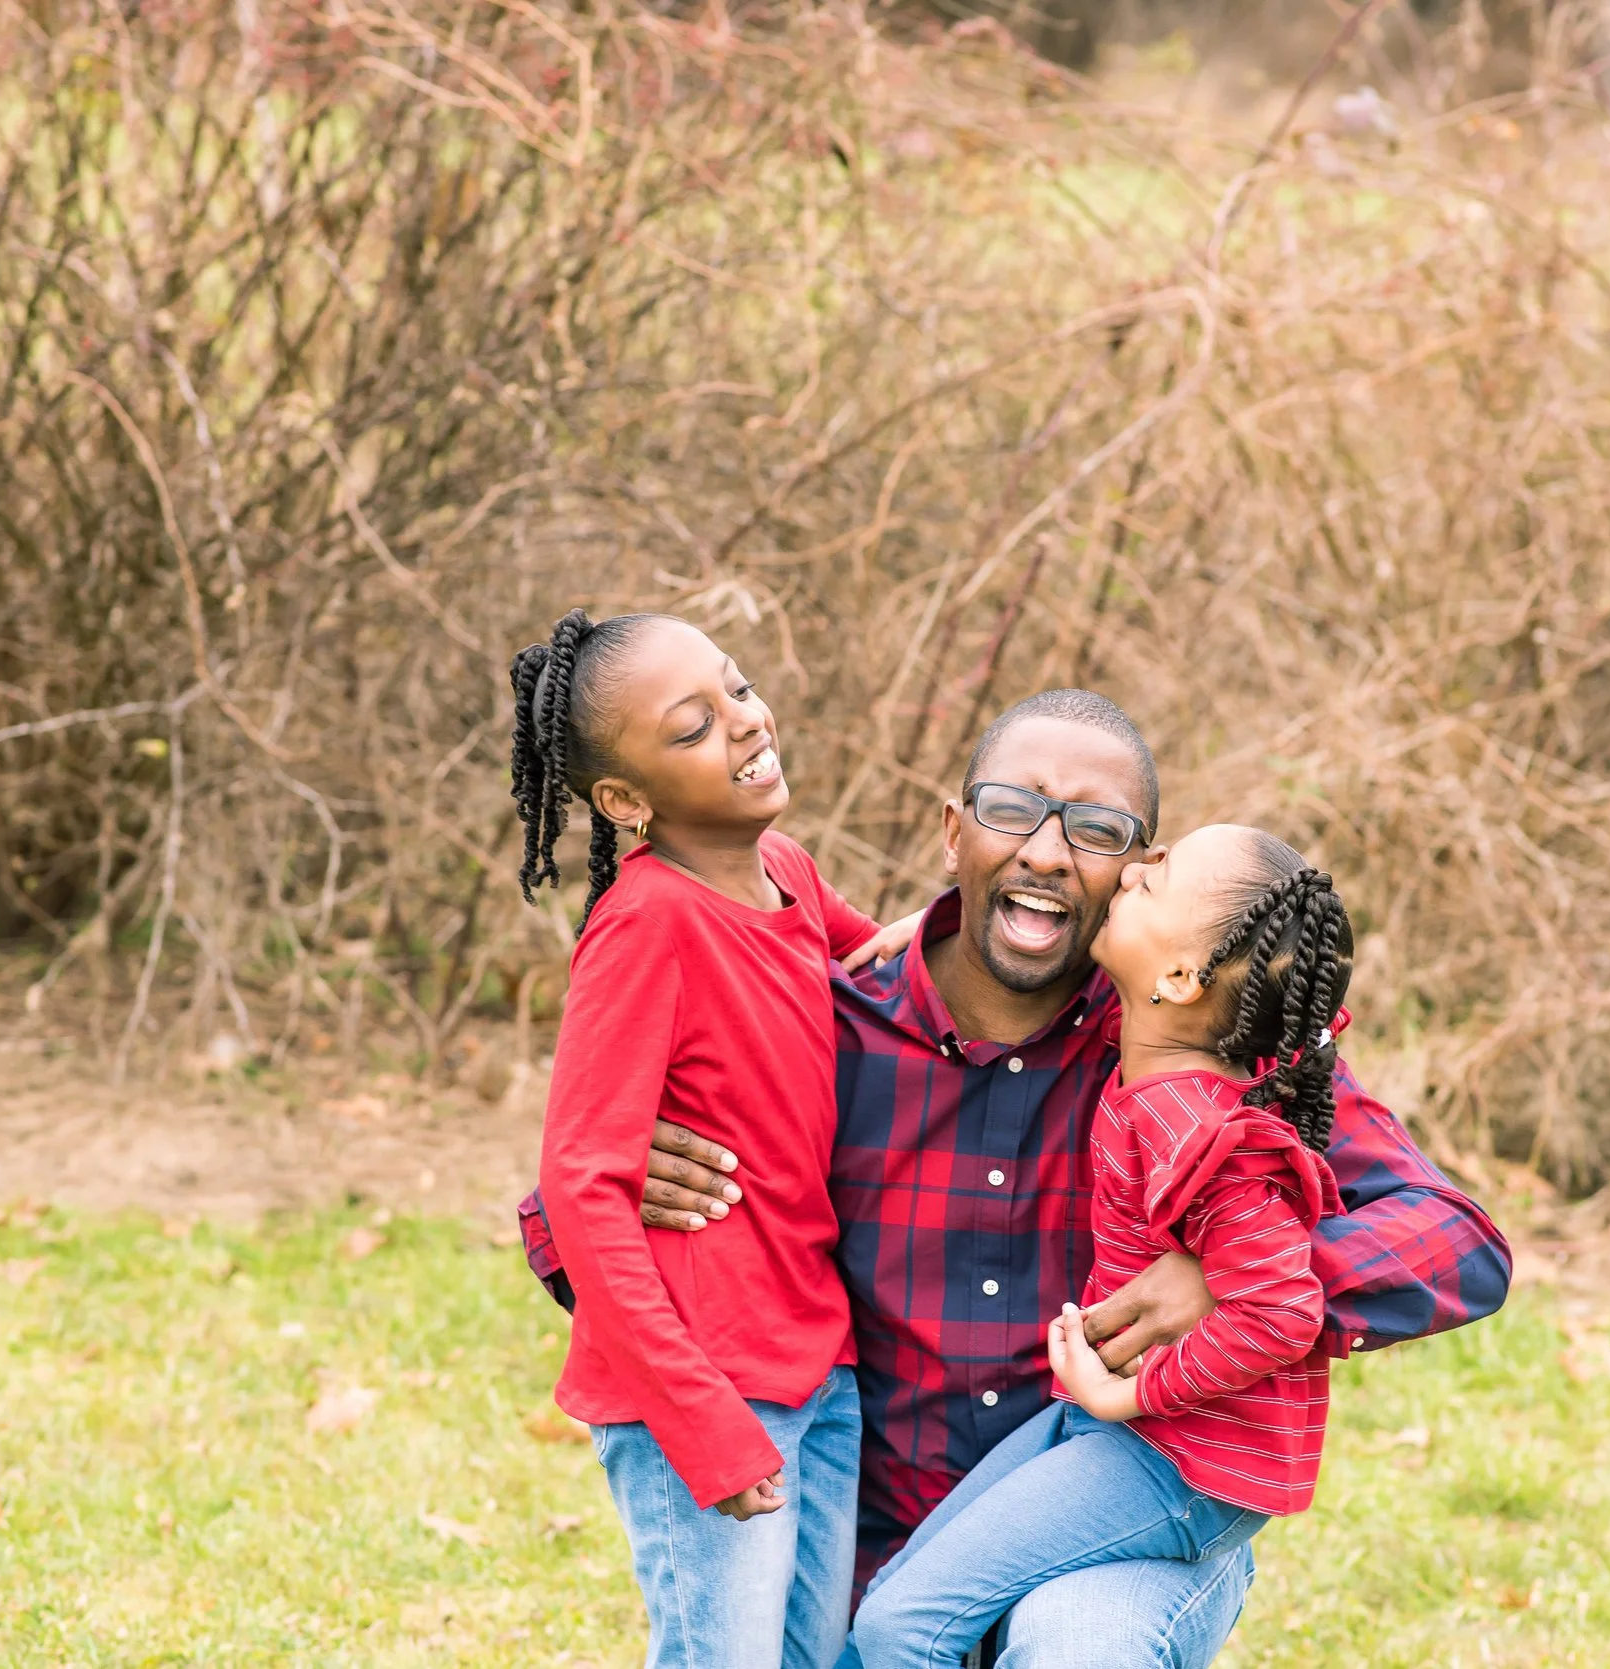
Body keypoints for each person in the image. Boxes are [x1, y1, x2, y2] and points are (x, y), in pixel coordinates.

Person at [528, 688, 1512, 1669]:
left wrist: (1234, 1280)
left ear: (1139, 876)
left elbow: (1460, 1242)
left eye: (1095, 829)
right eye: (1010, 811)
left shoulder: (1206, 1058)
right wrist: (635, 1181)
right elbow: (569, 1214)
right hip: (874, 1556)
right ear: (953, 834)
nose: (1045, 851)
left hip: (1119, 1526)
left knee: (1074, 1650)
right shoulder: (832, 1023)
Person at [842, 826, 1356, 1668]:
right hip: (1120, 1433)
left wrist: (1136, 1393)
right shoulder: (1161, 1044)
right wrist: (938, 935)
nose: (1135, 868)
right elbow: (1304, 1010)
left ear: (1184, 979)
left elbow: (1282, 1309)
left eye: (1156, 879)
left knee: (903, 1627)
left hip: (1177, 1462)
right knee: (901, 1602)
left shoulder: (1201, 1132)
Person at [510, 608, 878, 1669]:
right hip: (704, 1380)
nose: (746, 724)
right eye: (693, 728)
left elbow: (899, 977)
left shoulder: (793, 877)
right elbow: (582, 1187)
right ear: (624, 800)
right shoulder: (645, 926)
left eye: (739, 690)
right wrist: (699, 1419)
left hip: (819, 1358)